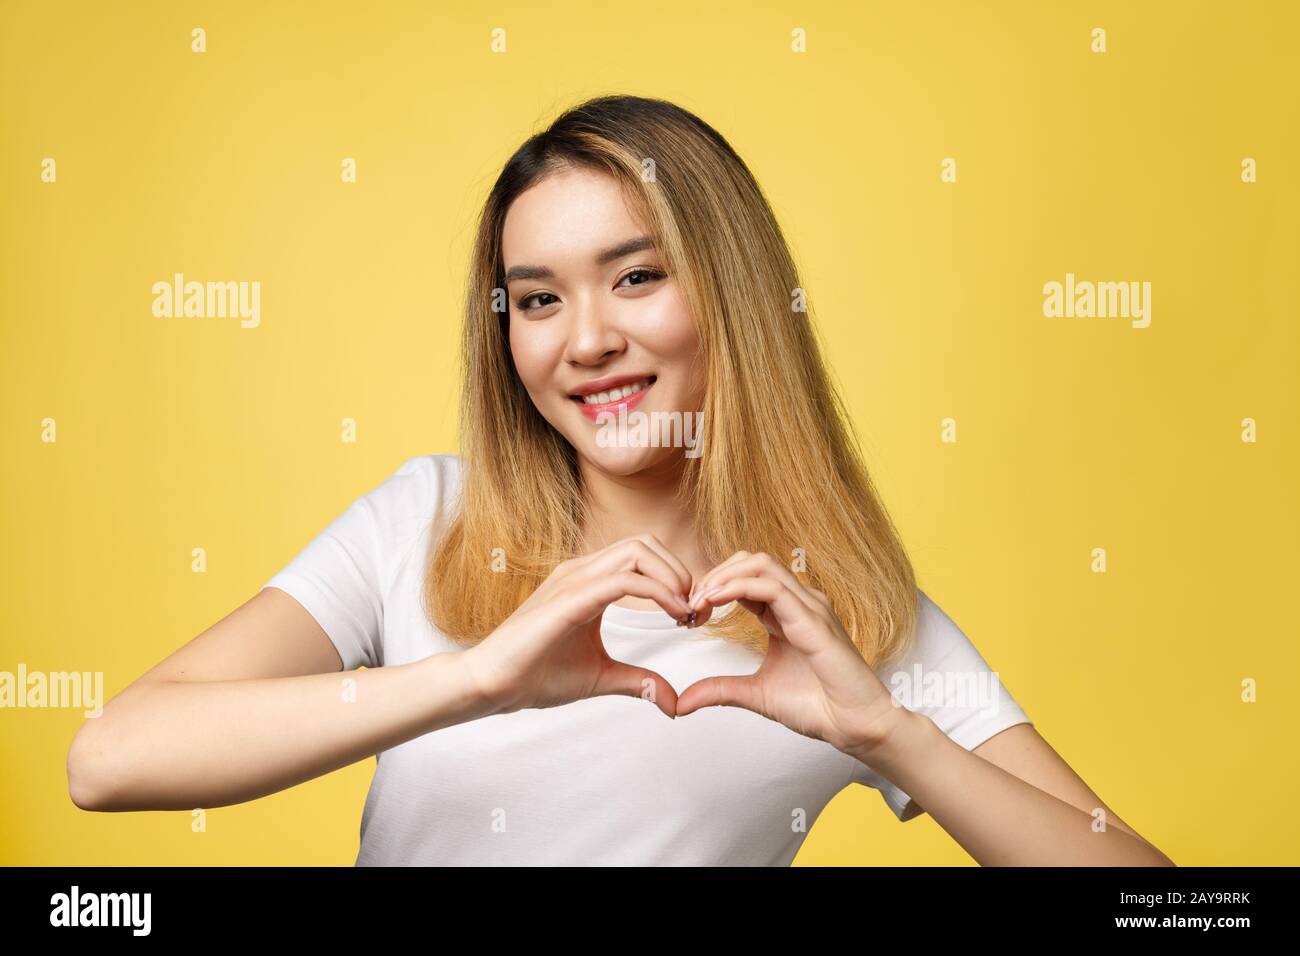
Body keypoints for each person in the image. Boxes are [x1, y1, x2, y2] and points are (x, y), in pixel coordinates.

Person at [66, 94, 1174, 866]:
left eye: (635, 276)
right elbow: (108, 757)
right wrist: (479, 677)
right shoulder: (424, 521)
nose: (584, 339)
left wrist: (890, 735)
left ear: (732, 296)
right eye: (537, 298)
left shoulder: (851, 621)